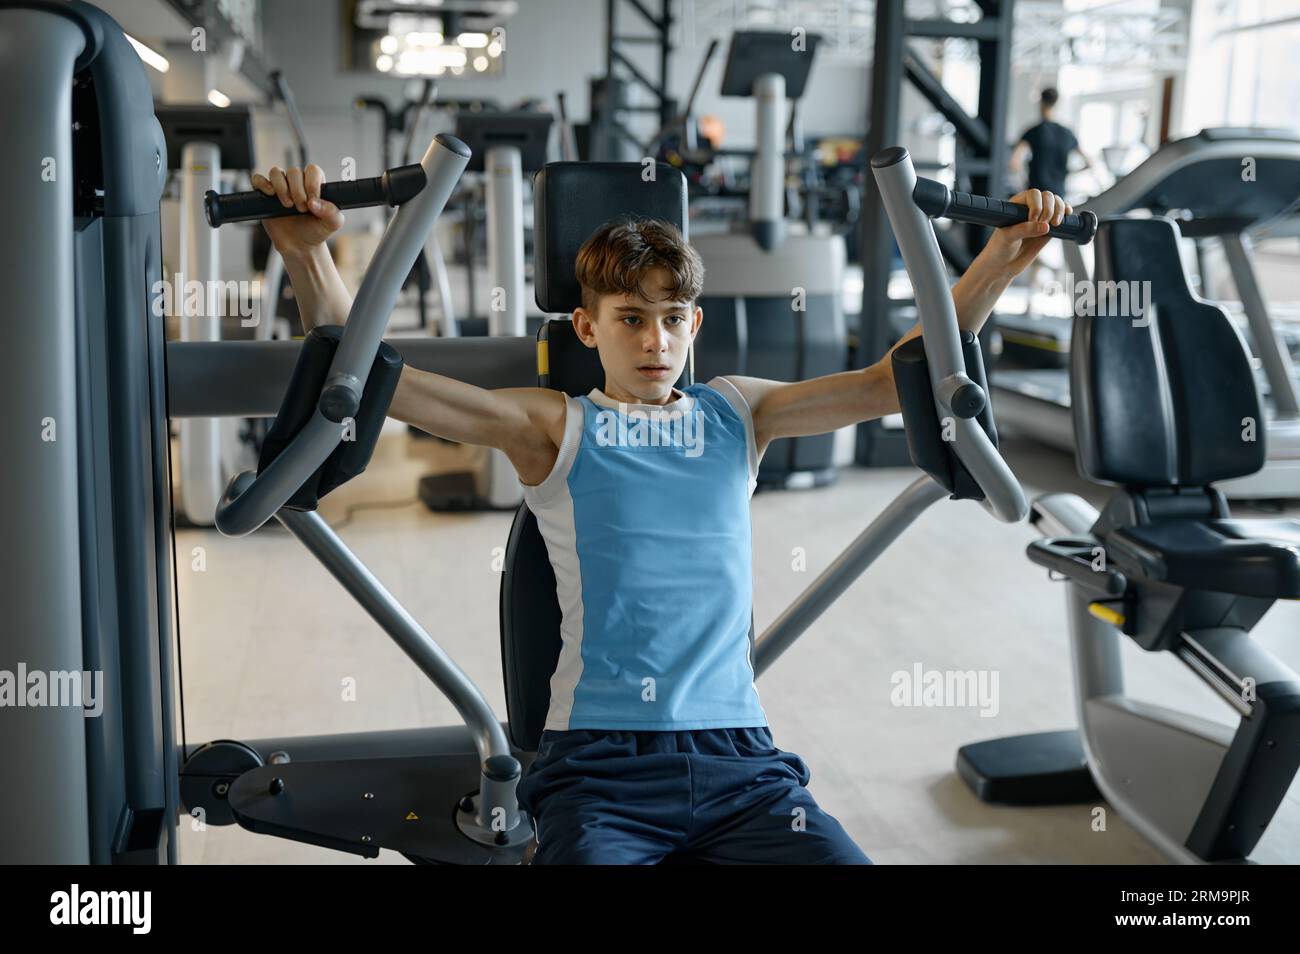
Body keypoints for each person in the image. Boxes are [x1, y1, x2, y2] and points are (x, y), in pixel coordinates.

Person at [250, 163, 1070, 864]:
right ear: (587, 325)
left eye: (673, 319)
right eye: (631, 319)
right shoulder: (556, 426)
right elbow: (375, 385)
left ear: (696, 326)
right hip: (599, 772)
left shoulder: (737, 414)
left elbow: (894, 380)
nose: (655, 341)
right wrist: (307, 254)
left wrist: (999, 264)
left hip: (743, 767)